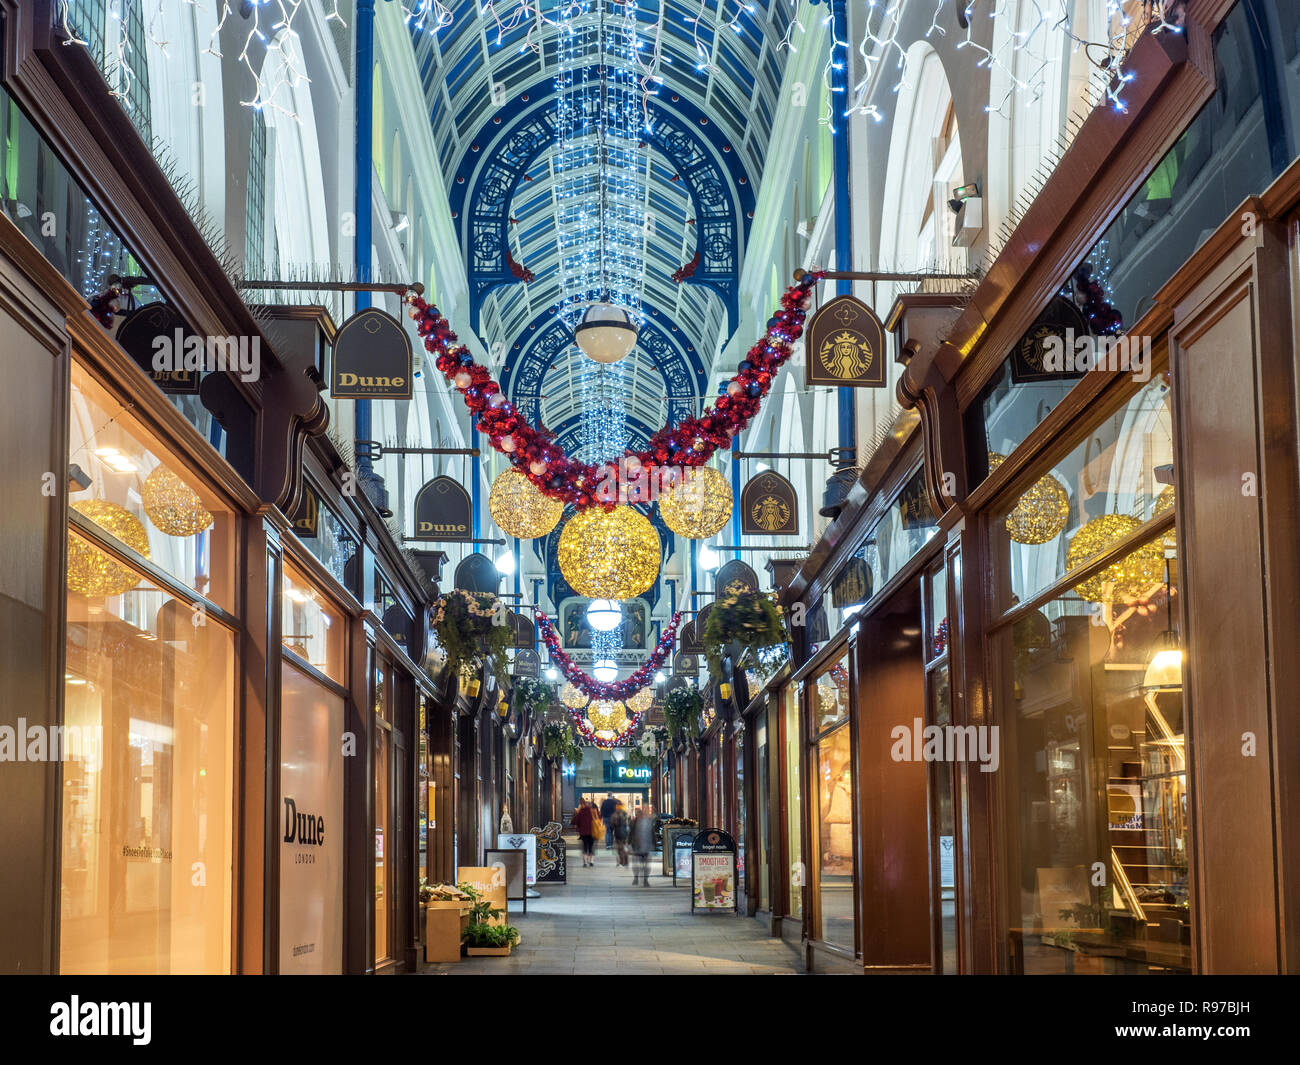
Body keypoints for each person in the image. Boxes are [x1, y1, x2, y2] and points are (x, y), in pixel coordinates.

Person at [630, 804, 655, 885]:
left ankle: (645, 879)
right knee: (636, 863)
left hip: (647, 845)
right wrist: (629, 843)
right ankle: (636, 877)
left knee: (646, 864)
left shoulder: (649, 820)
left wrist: (653, 843)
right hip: (637, 845)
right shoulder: (635, 821)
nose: (645, 810)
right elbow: (631, 833)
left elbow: (652, 833)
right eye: (644, 809)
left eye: (647, 809)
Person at [570, 798, 597, 867]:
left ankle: (585, 862)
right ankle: (591, 861)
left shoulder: (581, 811)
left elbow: (574, 821)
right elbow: (598, 819)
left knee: (585, 847)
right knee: (591, 847)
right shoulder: (593, 811)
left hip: (583, 832)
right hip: (592, 832)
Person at [610, 801, 630, 866]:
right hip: (625, 833)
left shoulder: (615, 814)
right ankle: (626, 861)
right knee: (624, 846)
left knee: (619, 848)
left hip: (617, 832)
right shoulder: (625, 814)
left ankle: (621, 861)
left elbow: (611, 825)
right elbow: (629, 823)